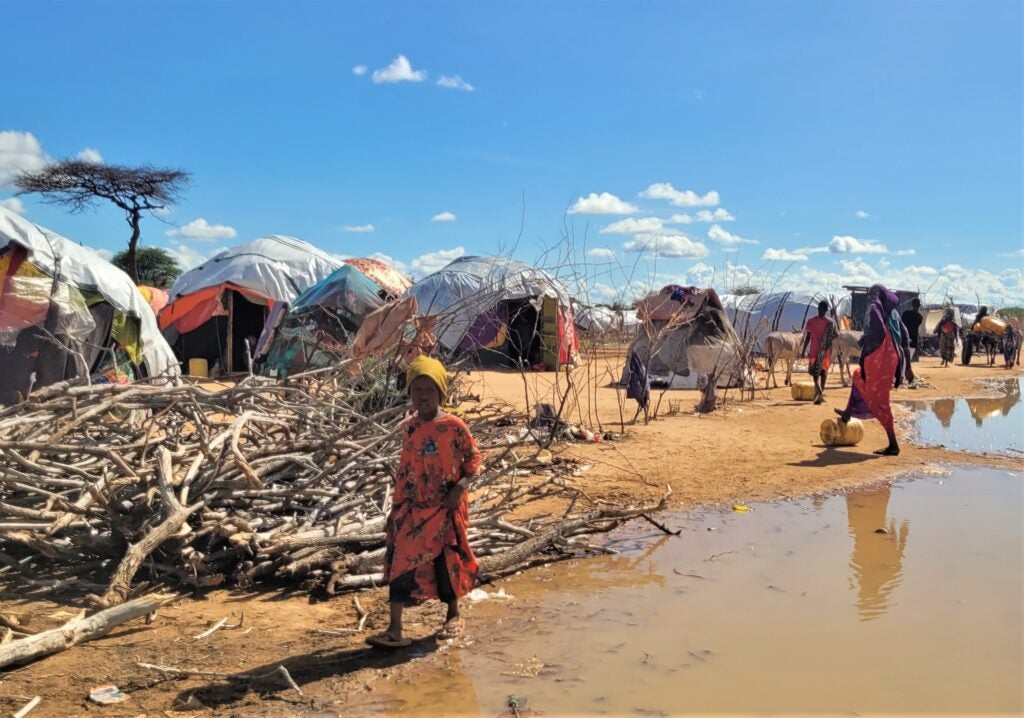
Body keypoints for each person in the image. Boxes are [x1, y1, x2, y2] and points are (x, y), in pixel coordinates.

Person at [367, 356, 482, 649]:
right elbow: (406, 469)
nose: (423, 396)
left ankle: (453, 616)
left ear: (441, 392)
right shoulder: (409, 427)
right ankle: (395, 629)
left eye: (430, 390)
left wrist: (460, 488)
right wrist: (398, 508)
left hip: (445, 507)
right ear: (409, 393)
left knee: (447, 561)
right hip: (413, 508)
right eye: (417, 390)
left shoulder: (455, 426)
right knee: (400, 561)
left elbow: (474, 460)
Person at [835, 284, 914, 456]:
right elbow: (905, 335)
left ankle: (893, 445)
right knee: (859, 378)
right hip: (891, 358)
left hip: (878, 357)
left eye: (872, 295)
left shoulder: (874, 309)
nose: (871, 298)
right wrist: (907, 365)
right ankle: (848, 412)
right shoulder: (892, 313)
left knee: (879, 399)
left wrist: (865, 344)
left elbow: (876, 329)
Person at [801, 300, 838, 405]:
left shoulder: (830, 323)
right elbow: (808, 337)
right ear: (818, 309)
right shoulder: (812, 321)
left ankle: (820, 393)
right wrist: (803, 350)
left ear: (826, 310)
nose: (823, 311)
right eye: (822, 309)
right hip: (815, 351)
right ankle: (819, 392)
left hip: (824, 351)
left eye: (824, 310)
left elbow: (835, 334)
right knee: (815, 372)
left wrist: (827, 341)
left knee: (823, 372)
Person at [901, 298, 923, 363]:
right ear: (919, 306)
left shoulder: (905, 313)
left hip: (904, 338)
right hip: (913, 340)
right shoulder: (920, 317)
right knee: (908, 359)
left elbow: (901, 324)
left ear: (912, 304)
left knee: (903, 359)